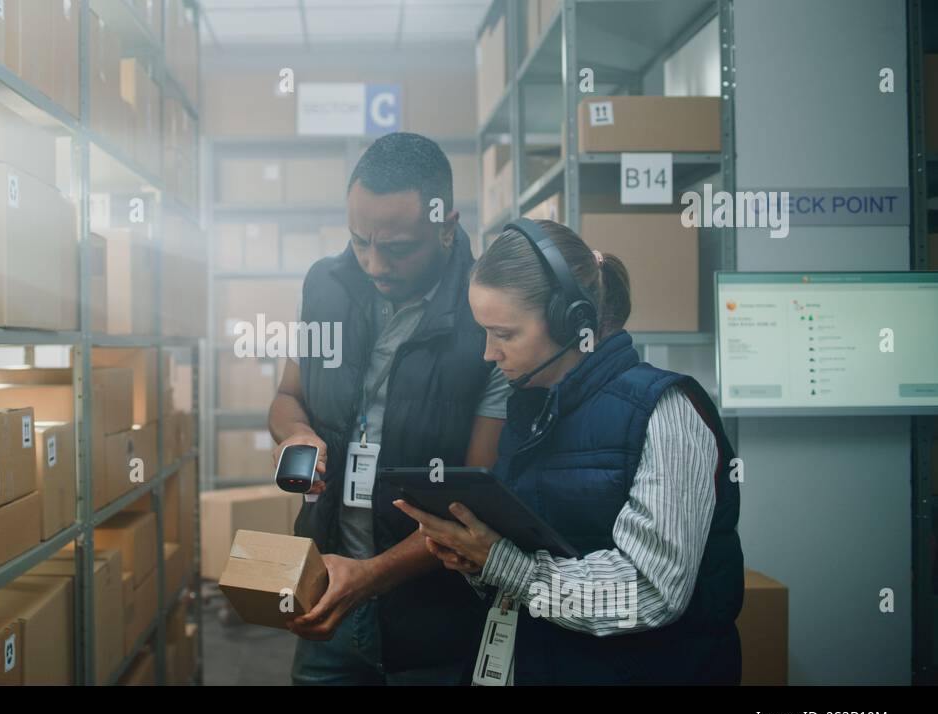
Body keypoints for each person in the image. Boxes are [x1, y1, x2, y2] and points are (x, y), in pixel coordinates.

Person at [395, 218, 744, 685]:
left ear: (571, 322)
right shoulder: (530, 408)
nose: (488, 354)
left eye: (504, 334)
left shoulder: (665, 411)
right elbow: (536, 554)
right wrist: (477, 560)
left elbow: (651, 591)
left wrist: (505, 563)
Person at [268, 132, 510, 685]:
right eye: (359, 241)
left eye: (397, 247)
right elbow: (287, 397)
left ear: (446, 226)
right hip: (326, 593)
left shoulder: (489, 316)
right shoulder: (325, 286)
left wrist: (372, 576)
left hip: (435, 627)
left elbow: (478, 496)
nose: (374, 263)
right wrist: (297, 433)